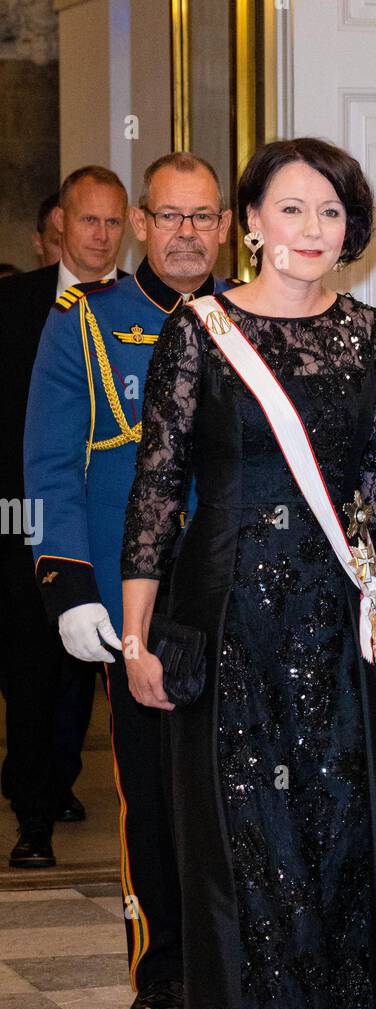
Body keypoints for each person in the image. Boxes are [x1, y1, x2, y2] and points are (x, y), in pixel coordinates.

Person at [120, 136, 376, 1009]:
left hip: (333, 633)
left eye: (332, 212)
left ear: (352, 230)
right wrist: (136, 636)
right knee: (246, 868)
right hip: (225, 631)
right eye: (292, 209)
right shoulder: (199, 331)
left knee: (338, 852)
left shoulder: (369, 336)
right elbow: (157, 489)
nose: (313, 230)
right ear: (251, 222)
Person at [24, 153, 234, 1009]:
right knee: (151, 794)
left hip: (233, 594)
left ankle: (237, 964)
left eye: (203, 217)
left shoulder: (252, 319)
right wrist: (69, 585)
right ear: (142, 224)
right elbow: (51, 464)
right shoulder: (86, 321)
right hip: (132, 599)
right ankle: (165, 968)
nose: (186, 234)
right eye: (169, 216)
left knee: (234, 789)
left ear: (226, 227)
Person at [0, 166, 127, 868]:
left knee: (84, 672)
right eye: (88, 220)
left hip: (107, 526)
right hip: (24, 521)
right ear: (60, 225)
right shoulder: (14, 305)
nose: (100, 236)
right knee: (30, 669)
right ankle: (32, 813)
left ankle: (58, 779)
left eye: (112, 222)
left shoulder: (140, 307)